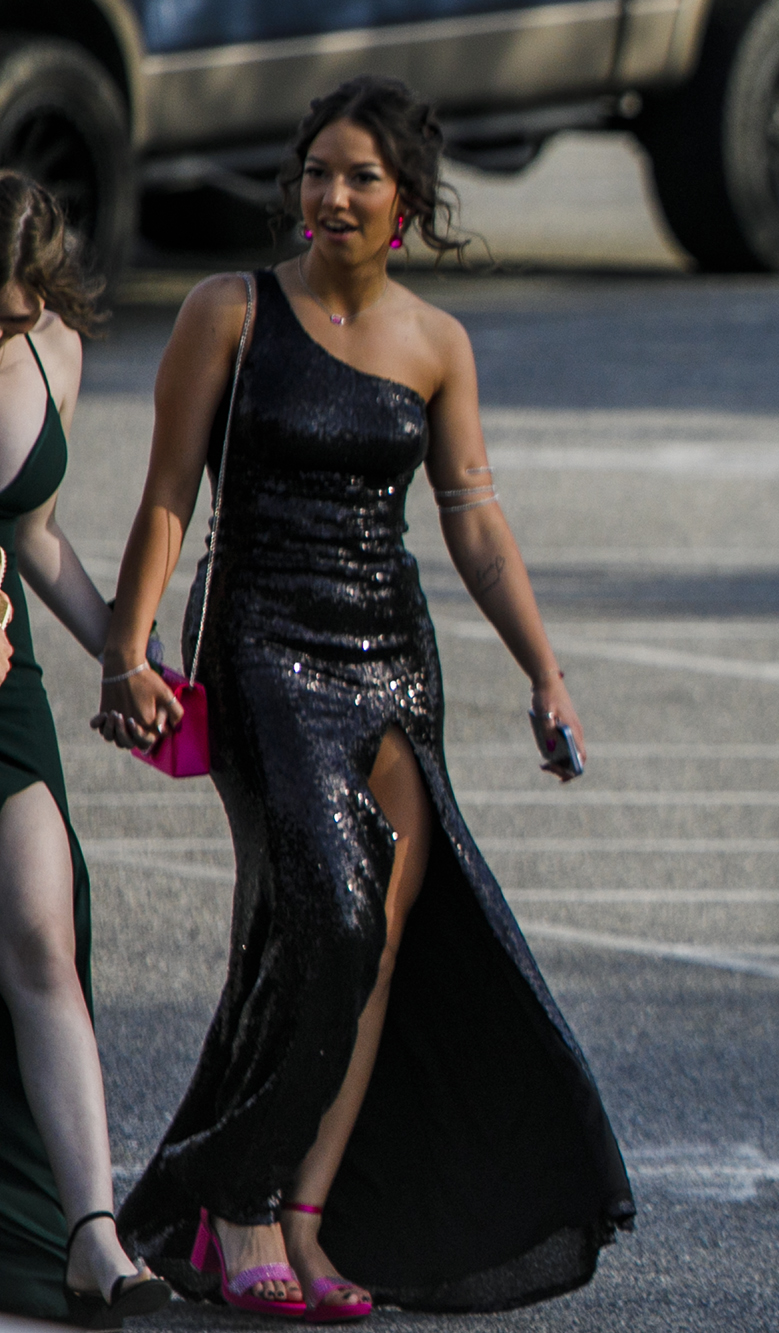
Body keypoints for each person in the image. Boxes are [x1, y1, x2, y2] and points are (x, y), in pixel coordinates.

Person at [97, 77, 634, 1318]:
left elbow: (473, 521)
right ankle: (230, 1197)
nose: (331, 196)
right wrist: (129, 652)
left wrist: (544, 673)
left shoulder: (437, 343)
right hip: (265, 644)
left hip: (391, 652)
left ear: (407, 202)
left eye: (360, 178)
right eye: (317, 172)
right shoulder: (229, 312)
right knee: (332, 919)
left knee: (375, 944)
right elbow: (169, 492)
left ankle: (302, 1220)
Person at [0, 172, 173, 1328]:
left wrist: (124, 653)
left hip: (5, 694)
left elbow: (35, 535)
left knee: (40, 933)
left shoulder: (55, 353)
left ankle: (93, 1238)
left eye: (12, 314)